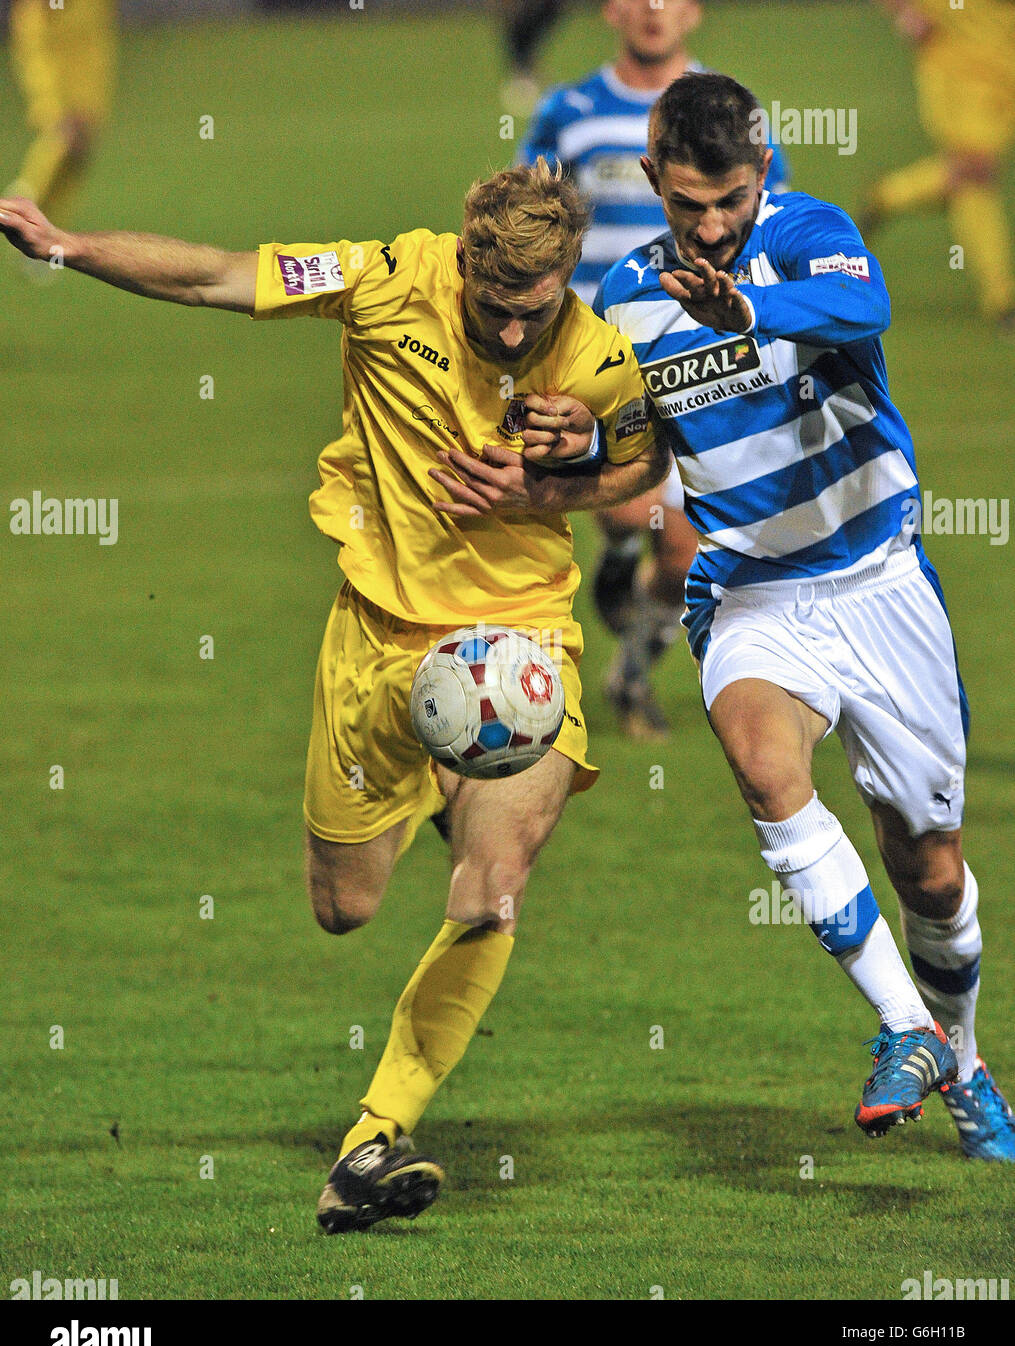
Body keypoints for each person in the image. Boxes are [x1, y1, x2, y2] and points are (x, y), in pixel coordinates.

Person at [0, 158, 666, 1228]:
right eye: (493, 310)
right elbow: (219, 275)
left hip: (516, 647)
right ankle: (439, 792)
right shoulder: (384, 276)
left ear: (566, 278)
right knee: (344, 907)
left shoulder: (597, 355)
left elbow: (640, 469)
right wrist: (69, 247)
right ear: (464, 265)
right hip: (372, 641)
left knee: (495, 885)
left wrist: (548, 486)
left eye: (531, 313)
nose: (509, 336)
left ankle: (372, 1140)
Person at [588, 71, 1014, 1157]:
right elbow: (622, 444)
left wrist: (751, 307)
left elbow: (861, 304)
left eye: (731, 196)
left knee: (929, 865)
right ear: (654, 183)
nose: (714, 223)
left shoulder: (805, 237)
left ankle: (963, 1060)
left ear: (761, 170)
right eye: (690, 203)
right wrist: (565, 450)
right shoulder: (625, 301)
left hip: (878, 582)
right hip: (748, 592)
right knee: (766, 773)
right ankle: (904, 1027)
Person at [522, 0, 790, 739]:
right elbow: (528, 218)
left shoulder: (727, 113)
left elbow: (777, 215)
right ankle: (614, 552)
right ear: (611, 10)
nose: (651, 10)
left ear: (694, 10)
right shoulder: (569, 111)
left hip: (696, 356)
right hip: (594, 355)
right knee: (622, 507)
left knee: (680, 550)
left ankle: (632, 674)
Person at [860, 0, 1015, 330]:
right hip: (955, 64)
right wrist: (904, 11)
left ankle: (889, 195)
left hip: (1005, 62)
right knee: (976, 169)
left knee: (969, 175)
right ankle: (1001, 298)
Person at [4, 0, 116, 226]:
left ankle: (44, 227)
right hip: (52, 38)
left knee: (81, 145)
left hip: (88, 34)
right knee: (68, 132)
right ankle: (22, 205)